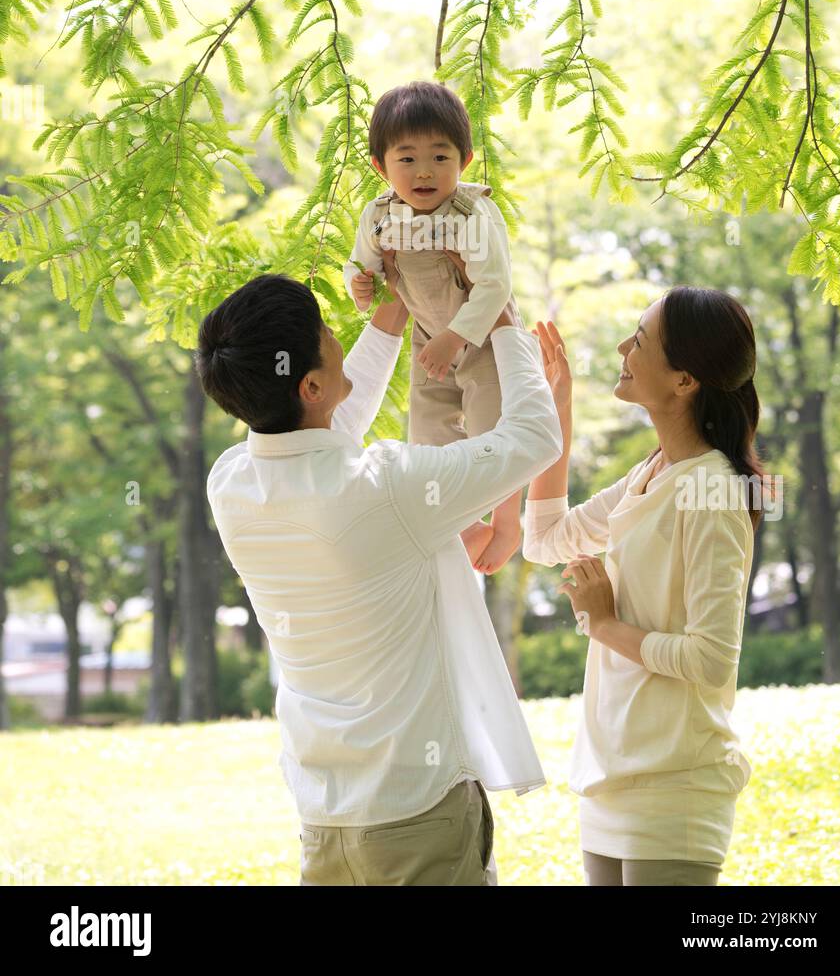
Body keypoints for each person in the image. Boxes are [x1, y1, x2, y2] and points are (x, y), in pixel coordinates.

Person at [195, 266, 566, 886]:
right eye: (323, 330)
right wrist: (503, 328)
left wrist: (392, 316)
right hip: (417, 815)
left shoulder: (231, 483)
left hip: (324, 817)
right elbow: (533, 437)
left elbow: (323, 431)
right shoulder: (388, 486)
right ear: (311, 383)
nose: (336, 335)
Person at [523, 288, 766, 887]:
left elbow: (711, 660)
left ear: (684, 380)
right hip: (611, 776)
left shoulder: (712, 492)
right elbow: (545, 538)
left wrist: (604, 625)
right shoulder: (650, 475)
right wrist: (558, 407)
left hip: (675, 784)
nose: (622, 348)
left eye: (641, 339)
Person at [343, 80, 526, 574]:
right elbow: (361, 266)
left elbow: (495, 287)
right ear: (381, 167)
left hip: (484, 338)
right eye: (407, 159)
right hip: (428, 337)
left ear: (464, 161)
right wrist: (359, 286)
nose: (424, 171)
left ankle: (508, 520)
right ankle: (465, 527)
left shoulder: (473, 213)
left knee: (495, 431)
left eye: (440, 157)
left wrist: (456, 337)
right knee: (427, 435)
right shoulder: (380, 216)